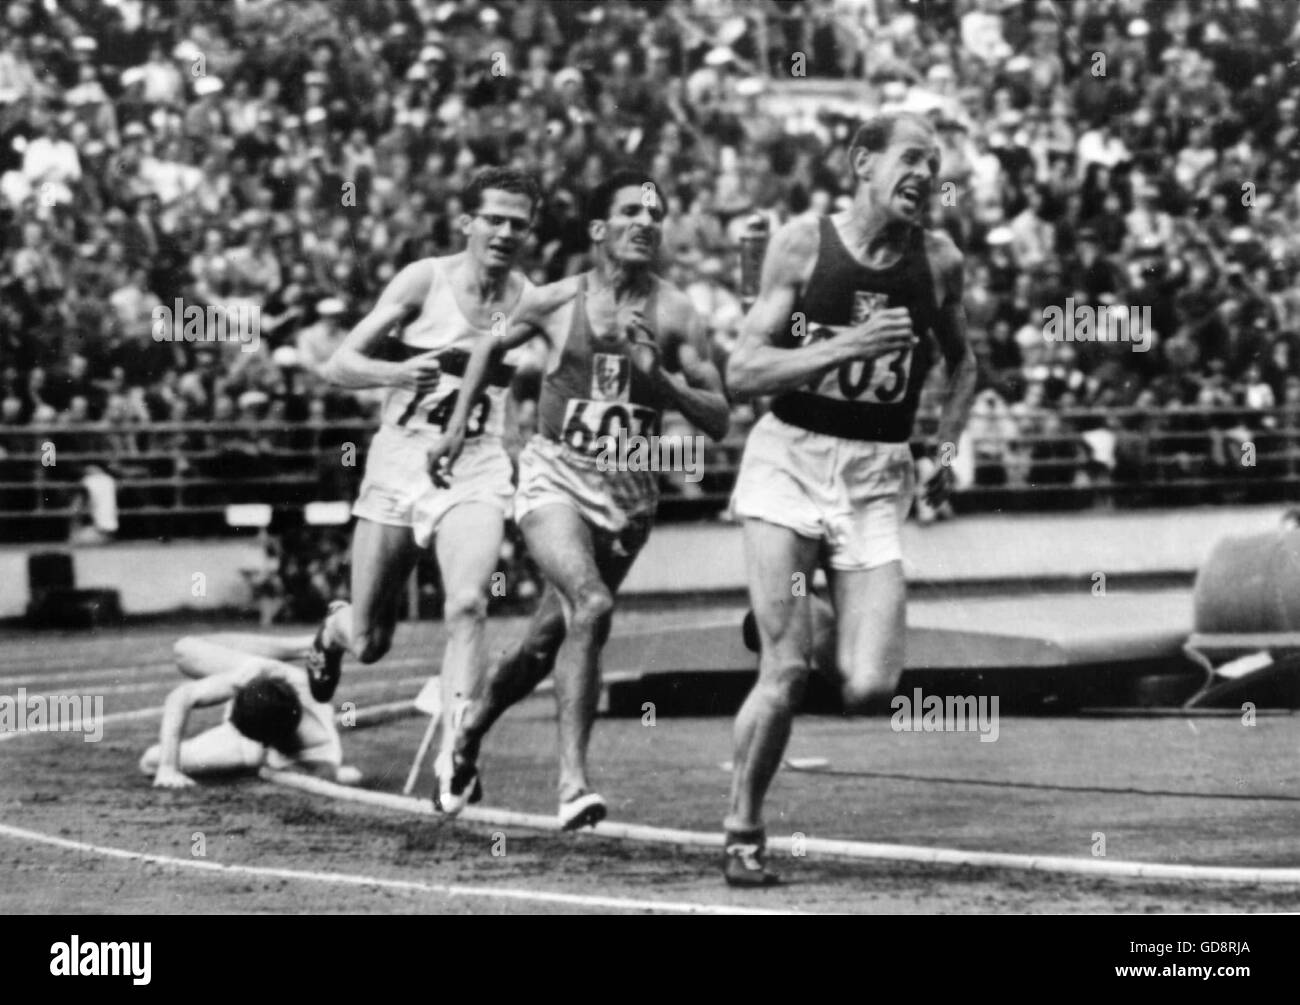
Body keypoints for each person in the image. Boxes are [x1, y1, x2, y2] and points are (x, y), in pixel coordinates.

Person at [426, 169, 730, 828]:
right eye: (630, 211)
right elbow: (484, 346)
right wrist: (455, 428)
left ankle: (470, 726)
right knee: (591, 602)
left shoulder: (676, 313)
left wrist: (665, 384)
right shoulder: (558, 300)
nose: (646, 222)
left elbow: (720, 417)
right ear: (599, 229)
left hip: (628, 496)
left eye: (655, 213)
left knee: (544, 641)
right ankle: (571, 784)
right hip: (553, 478)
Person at [723, 112, 977, 886]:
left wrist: (945, 444)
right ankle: (743, 828)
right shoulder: (804, 242)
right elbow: (742, 372)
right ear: (862, 163)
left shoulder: (939, 259)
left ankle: (809, 608)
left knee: (872, 686)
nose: (926, 176)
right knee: (787, 670)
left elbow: (965, 368)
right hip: (790, 462)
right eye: (910, 159)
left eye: (935, 165)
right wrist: (843, 346)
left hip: (874, 476)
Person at [309, 168, 540, 781]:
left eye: (518, 223)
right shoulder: (423, 280)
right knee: (370, 640)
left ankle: (456, 756)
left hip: (476, 466)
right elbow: (338, 364)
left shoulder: (528, 298)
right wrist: (396, 374)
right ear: (467, 222)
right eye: (493, 218)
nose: (504, 232)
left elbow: (521, 382)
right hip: (399, 460)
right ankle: (332, 632)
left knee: (467, 605)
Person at [140, 631, 361, 787]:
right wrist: (168, 768)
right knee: (185, 649)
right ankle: (305, 645)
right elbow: (181, 696)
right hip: (264, 702)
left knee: (150, 761)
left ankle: (305, 645)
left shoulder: (322, 752)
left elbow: (330, 774)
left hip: (252, 745)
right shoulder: (275, 676)